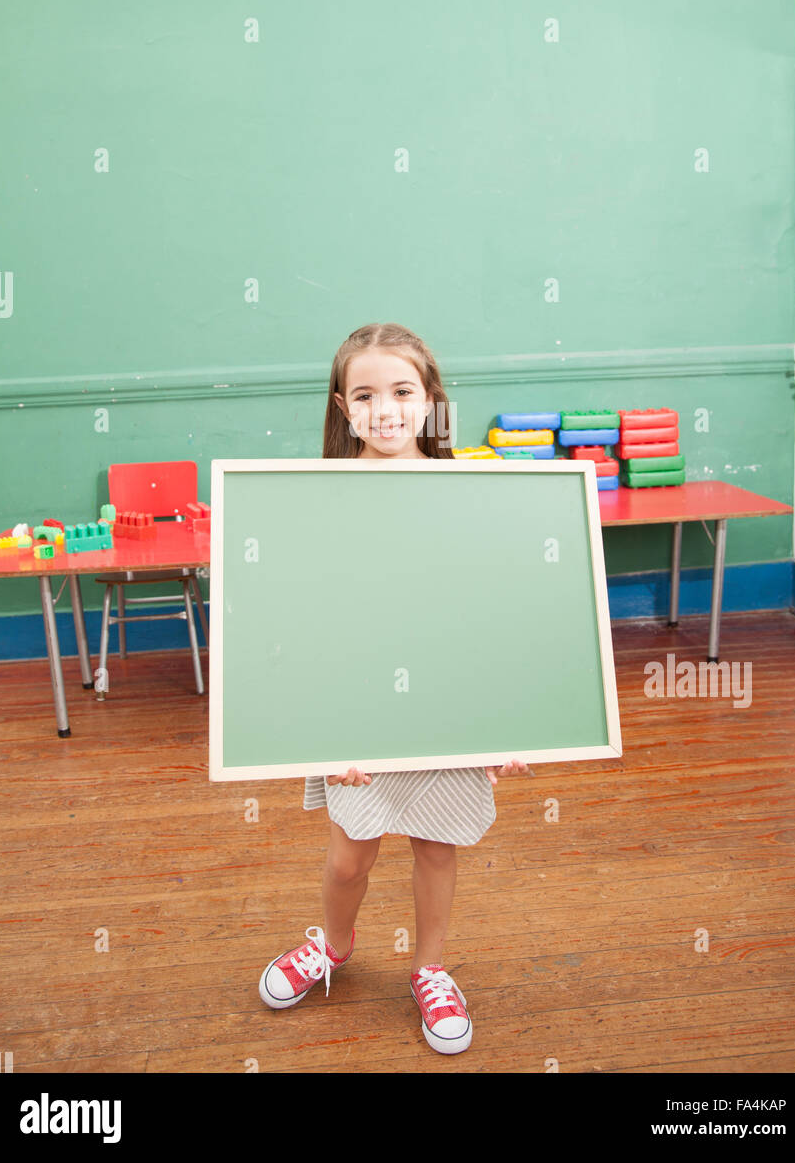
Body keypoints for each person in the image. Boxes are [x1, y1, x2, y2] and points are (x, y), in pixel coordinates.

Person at [259, 322, 532, 1055]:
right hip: (359, 716)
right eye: (366, 394)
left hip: (449, 713)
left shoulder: (471, 496)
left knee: (437, 849)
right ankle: (336, 947)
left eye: (402, 391)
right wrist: (324, 730)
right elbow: (310, 625)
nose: (385, 408)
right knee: (352, 854)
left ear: (431, 402)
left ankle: (431, 968)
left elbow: (490, 620)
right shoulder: (318, 502)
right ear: (344, 409)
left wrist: (508, 722)